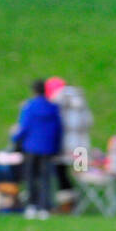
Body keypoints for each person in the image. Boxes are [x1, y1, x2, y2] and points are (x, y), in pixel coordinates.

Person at [11, 79, 63, 219]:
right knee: (45, 177)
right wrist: (57, 146)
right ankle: (45, 206)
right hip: (50, 147)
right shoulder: (53, 108)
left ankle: (32, 205)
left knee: (30, 177)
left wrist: (14, 140)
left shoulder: (29, 107)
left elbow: (24, 127)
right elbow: (58, 129)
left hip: (31, 147)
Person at [45, 76, 94, 211]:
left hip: (63, 147)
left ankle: (67, 205)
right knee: (81, 175)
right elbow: (89, 121)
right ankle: (81, 204)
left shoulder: (57, 99)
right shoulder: (81, 99)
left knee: (60, 171)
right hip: (82, 147)